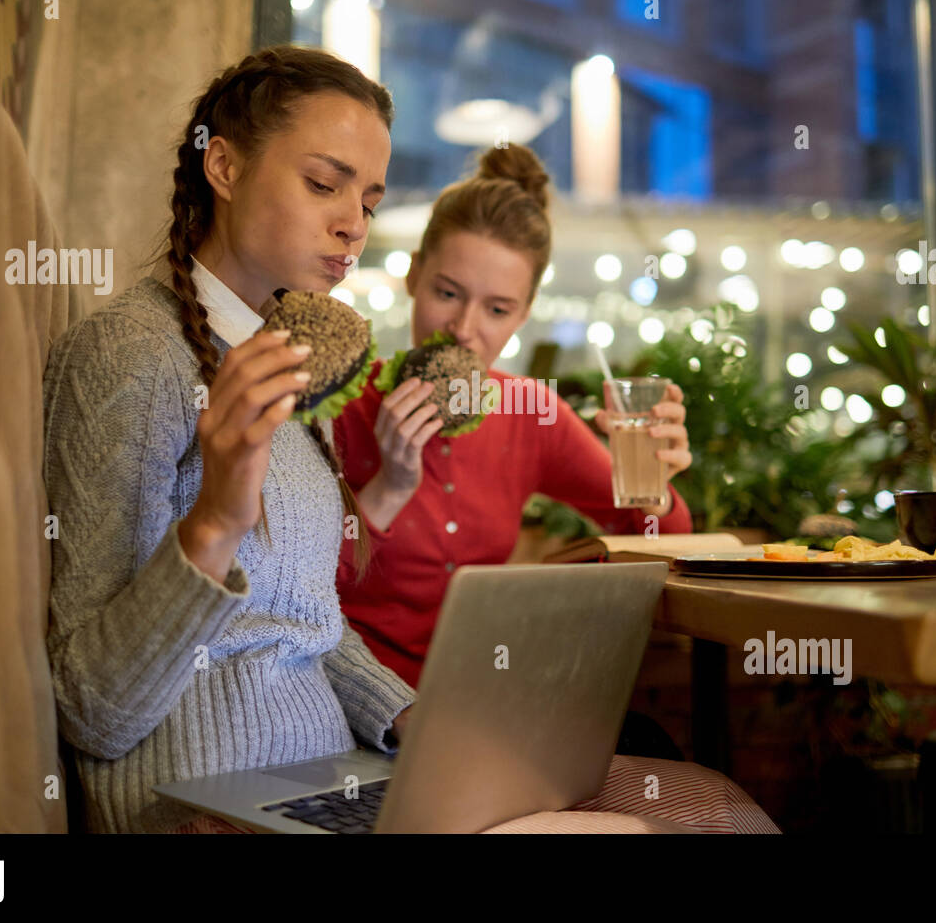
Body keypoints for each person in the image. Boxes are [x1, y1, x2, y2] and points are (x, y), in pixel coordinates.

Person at [332, 145, 780, 832]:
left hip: (491, 732)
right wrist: (389, 488)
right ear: (412, 276)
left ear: (526, 312)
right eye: (447, 292)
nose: (464, 329)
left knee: (729, 814)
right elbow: (296, 592)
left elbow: (662, 540)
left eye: (498, 308)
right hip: (362, 728)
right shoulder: (343, 404)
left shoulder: (526, 413)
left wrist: (652, 482)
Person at [43, 45, 415, 833]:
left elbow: (302, 623)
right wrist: (214, 522)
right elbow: (91, 708)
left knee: (696, 810)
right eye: (324, 183)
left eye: (370, 201)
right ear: (224, 167)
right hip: (193, 807)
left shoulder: (282, 364)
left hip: (330, 785)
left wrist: (411, 722)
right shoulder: (128, 357)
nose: (353, 224)